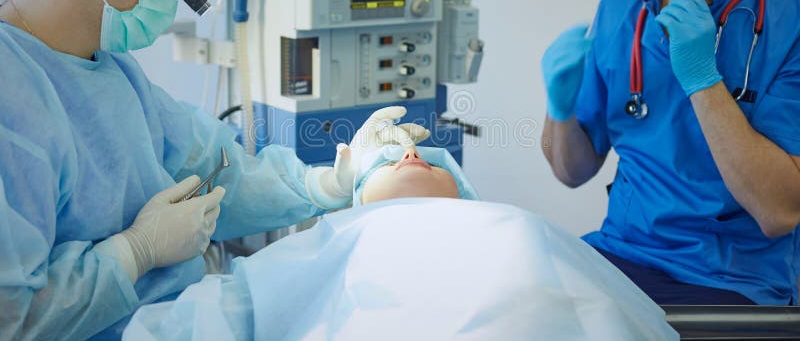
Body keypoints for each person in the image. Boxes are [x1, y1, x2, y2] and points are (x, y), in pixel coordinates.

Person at [0, 0, 428, 339]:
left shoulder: (112, 71)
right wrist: (134, 253)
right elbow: (12, 318)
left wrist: (322, 184)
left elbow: (215, 167)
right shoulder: (11, 97)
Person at [123, 146, 678, 341]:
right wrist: (134, 255)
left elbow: (620, 311)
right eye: (388, 159)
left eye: (428, 158)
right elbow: (212, 317)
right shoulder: (331, 240)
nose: (411, 153)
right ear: (355, 200)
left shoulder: (517, 226)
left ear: (467, 196)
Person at [541, 0, 800, 306]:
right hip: (620, 255)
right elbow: (571, 171)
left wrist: (702, 79)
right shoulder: (620, 9)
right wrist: (560, 109)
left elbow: (779, 212)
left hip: (730, 277)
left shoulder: (790, 28)